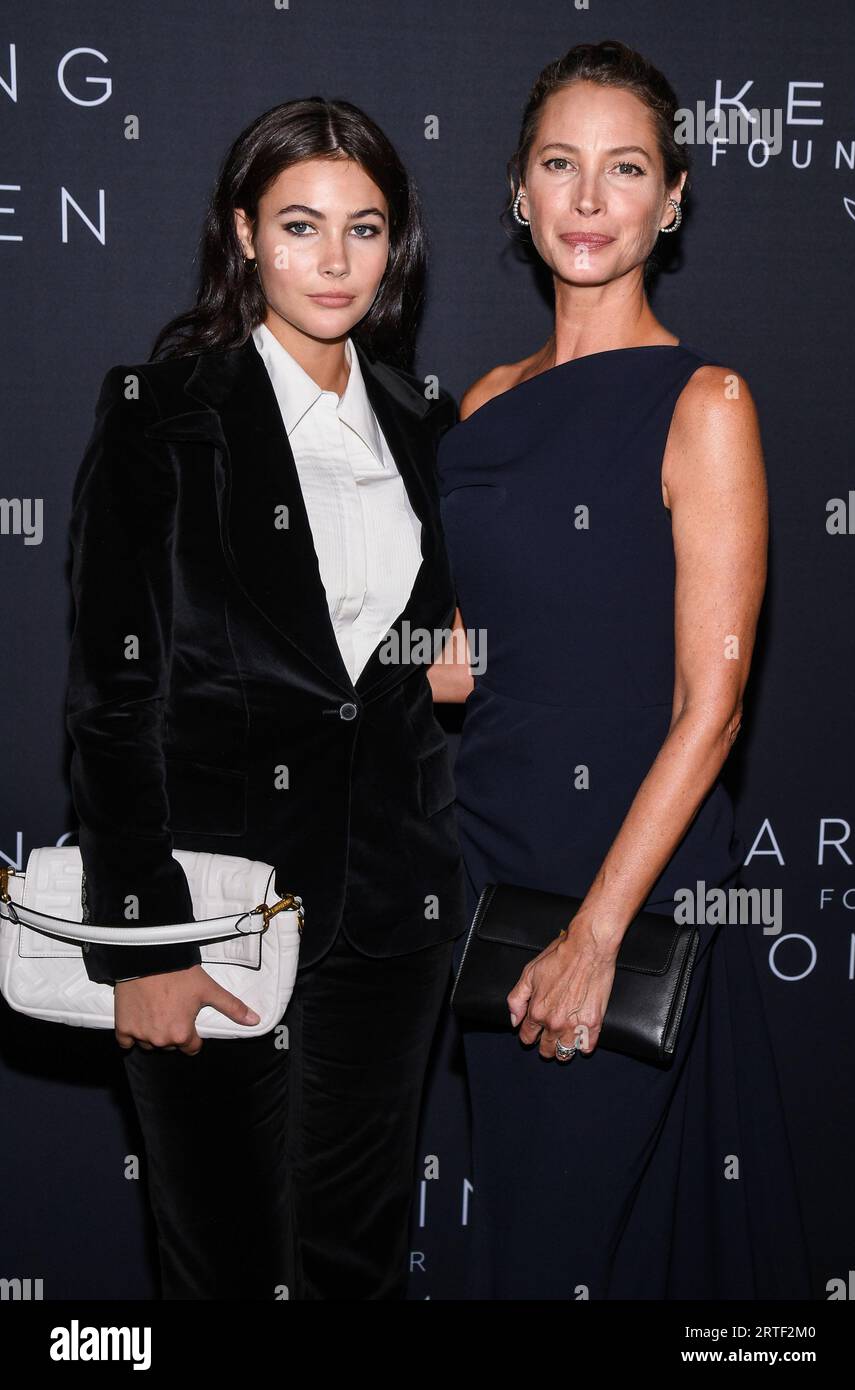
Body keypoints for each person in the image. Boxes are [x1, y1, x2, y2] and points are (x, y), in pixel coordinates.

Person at [65, 96, 466, 1300]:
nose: (333, 261)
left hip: (388, 921)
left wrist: (446, 661)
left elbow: (403, 655)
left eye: (364, 228)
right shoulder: (163, 416)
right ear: (243, 233)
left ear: (395, 245)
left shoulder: (422, 422)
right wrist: (144, 936)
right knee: (224, 1271)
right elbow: (110, 695)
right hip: (215, 914)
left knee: (353, 1266)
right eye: (299, 225)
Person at [430, 39, 813, 1299]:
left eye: (624, 168)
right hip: (488, 868)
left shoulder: (705, 402)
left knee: (561, 1251)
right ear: (517, 192)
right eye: (559, 165)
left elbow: (711, 712)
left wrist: (597, 933)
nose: (589, 201)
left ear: (671, 198)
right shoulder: (483, 403)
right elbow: (459, 663)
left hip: (618, 888)